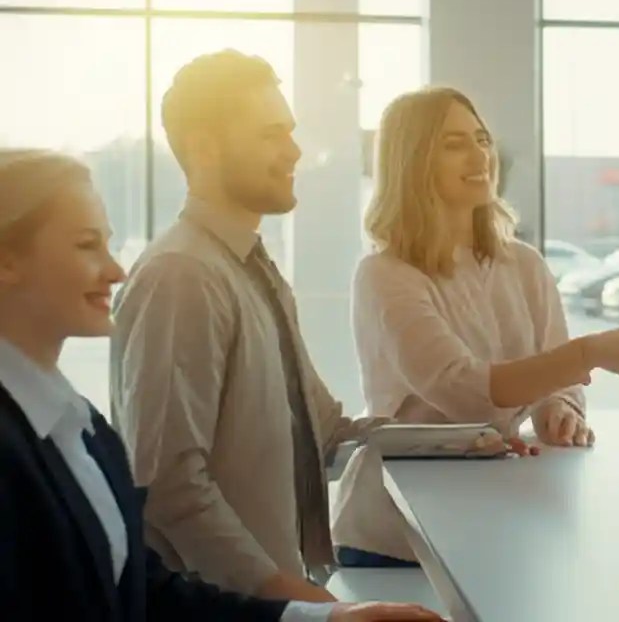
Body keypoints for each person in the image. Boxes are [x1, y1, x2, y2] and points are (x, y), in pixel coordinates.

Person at [0, 148, 441, 621]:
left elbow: (144, 592)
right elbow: (173, 488)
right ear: (6, 261)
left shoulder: (82, 428)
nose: (116, 270)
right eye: (87, 245)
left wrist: (325, 618)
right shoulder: (181, 273)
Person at [330, 86, 619, 565]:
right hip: (396, 535)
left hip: (496, 515)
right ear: (413, 162)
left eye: (482, 138)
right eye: (453, 144)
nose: (480, 154)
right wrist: (589, 353)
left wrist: (558, 408)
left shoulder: (524, 265)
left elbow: (558, 380)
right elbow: (467, 392)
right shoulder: (385, 275)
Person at [109, 50, 385, 601]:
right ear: (204, 149)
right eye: (270, 134)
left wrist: (474, 442)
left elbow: (326, 431)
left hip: (274, 593)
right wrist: (293, 597)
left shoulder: (252, 272)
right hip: (225, 604)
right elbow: (168, 486)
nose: (294, 151)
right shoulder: (183, 275)